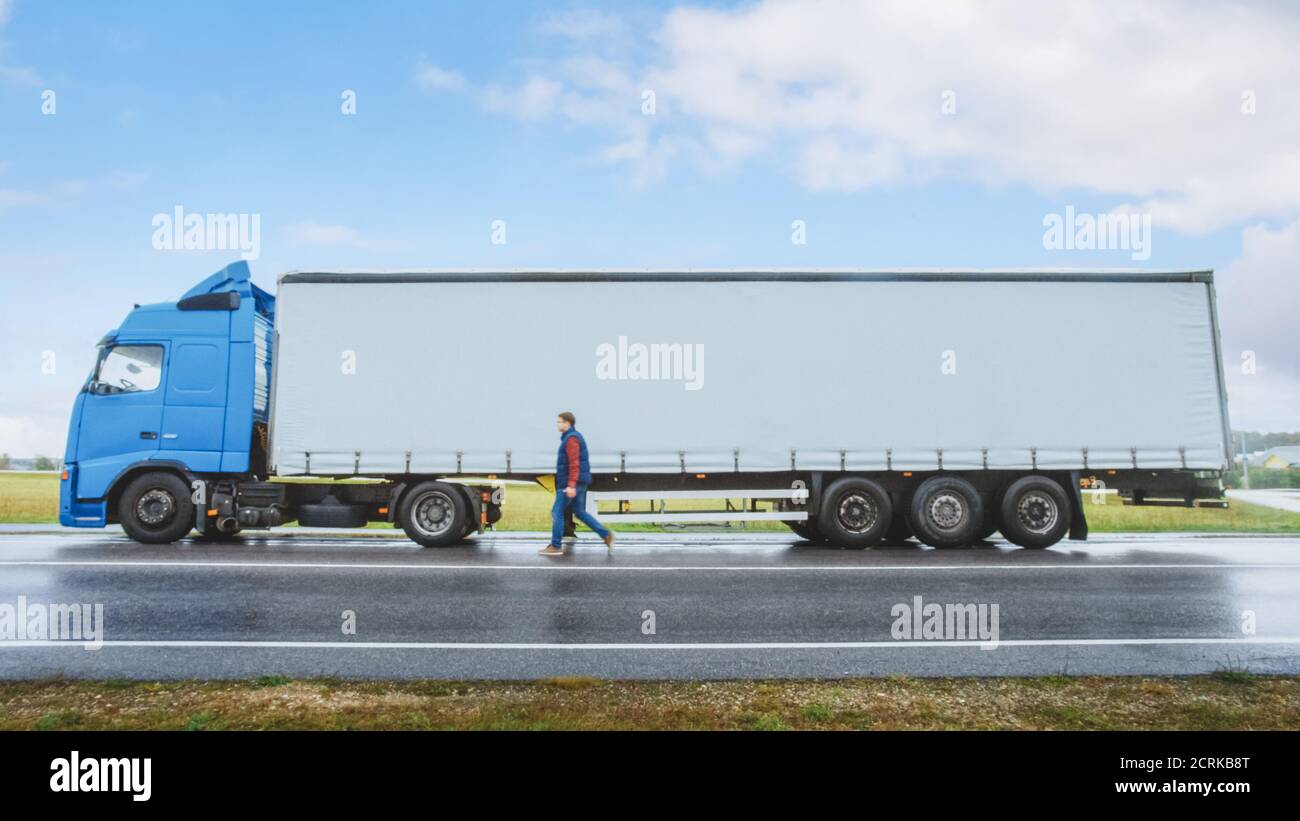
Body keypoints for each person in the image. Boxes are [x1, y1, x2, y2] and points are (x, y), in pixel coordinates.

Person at [539, 412, 614, 556]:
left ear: (568, 423)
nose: (558, 424)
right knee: (579, 512)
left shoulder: (571, 439)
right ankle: (606, 535)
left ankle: (555, 545)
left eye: (560, 422)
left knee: (557, 511)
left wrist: (571, 485)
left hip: (571, 482)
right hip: (579, 481)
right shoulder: (571, 437)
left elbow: (574, 464)